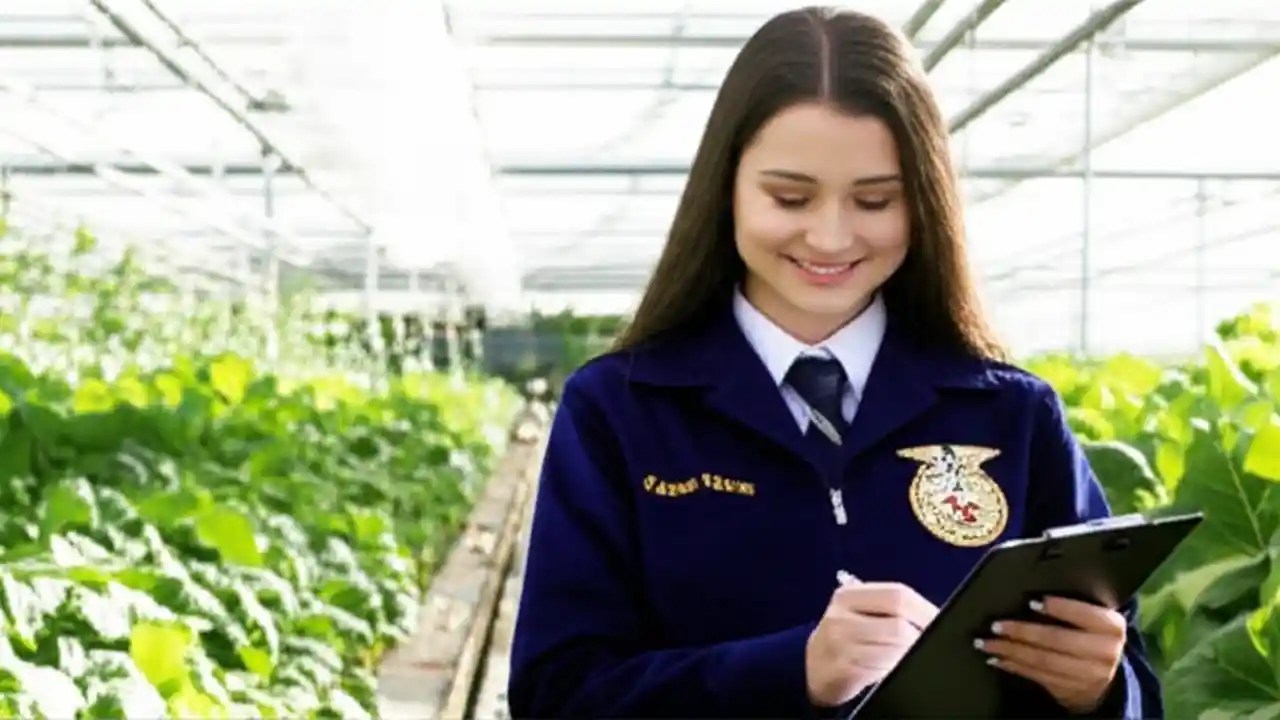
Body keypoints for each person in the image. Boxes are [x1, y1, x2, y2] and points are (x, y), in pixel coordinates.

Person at [507, 6, 1161, 718]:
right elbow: (555, 694)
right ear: (725, 188)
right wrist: (794, 669)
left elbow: (1136, 688)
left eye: (876, 200)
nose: (830, 236)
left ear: (925, 203)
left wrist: (1101, 690)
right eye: (789, 196)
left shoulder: (1011, 413)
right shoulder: (621, 410)